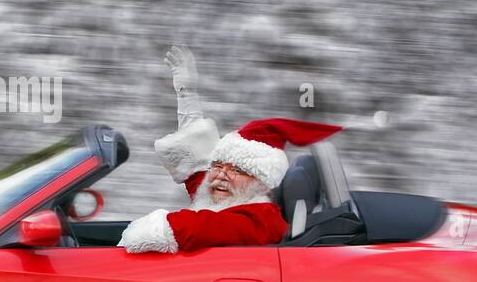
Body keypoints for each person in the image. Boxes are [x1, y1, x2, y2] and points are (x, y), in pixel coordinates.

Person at [119, 46, 341, 253]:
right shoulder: (228, 194)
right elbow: (195, 160)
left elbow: (199, 228)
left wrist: (143, 233)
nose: (221, 175)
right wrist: (186, 94)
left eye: (236, 169)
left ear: (261, 182)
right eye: (217, 165)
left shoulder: (260, 218)